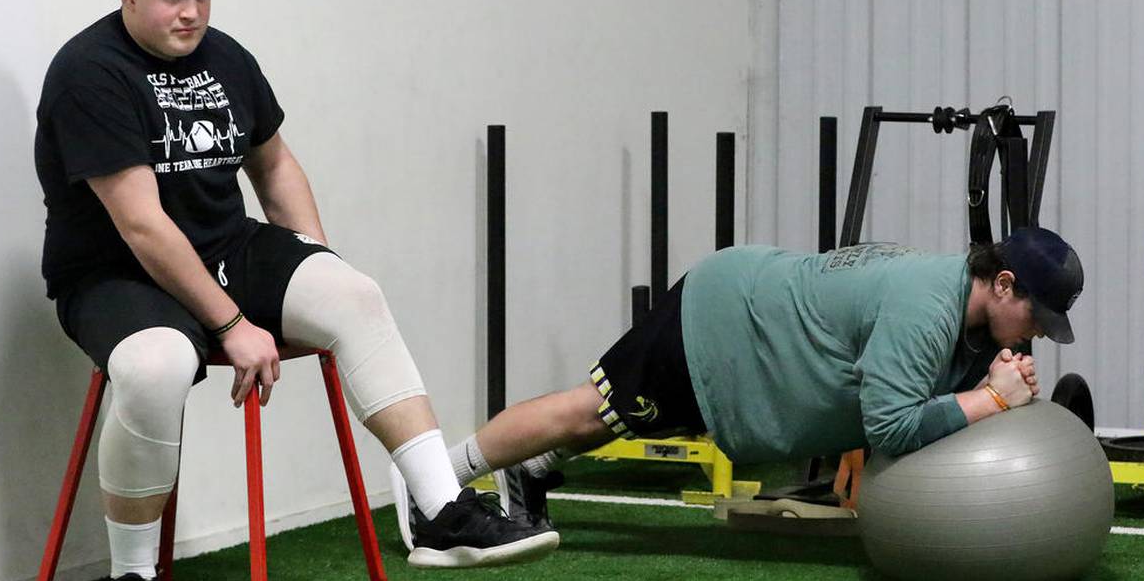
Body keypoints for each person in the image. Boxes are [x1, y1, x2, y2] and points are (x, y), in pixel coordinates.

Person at [34, 0, 556, 581]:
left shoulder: (226, 57)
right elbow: (143, 227)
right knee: (156, 366)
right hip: (115, 272)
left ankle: (443, 511)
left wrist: (314, 260)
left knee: (353, 296)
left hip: (227, 250)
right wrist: (232, 325)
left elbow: (274, 163)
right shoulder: (88, 73)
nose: (191, 12)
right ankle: (134, 578)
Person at [394, 227, 1082, 545]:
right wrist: (991, 399)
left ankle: (533, 472)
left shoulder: (966, 315)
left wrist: (990, 381)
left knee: (614, 420)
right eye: (1036, 320)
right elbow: (891, 428)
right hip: (723, 324)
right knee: (593, 411)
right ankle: (435, 480)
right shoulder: (924, 307)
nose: (1037, 336)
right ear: (1002, 284)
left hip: (753, 331)